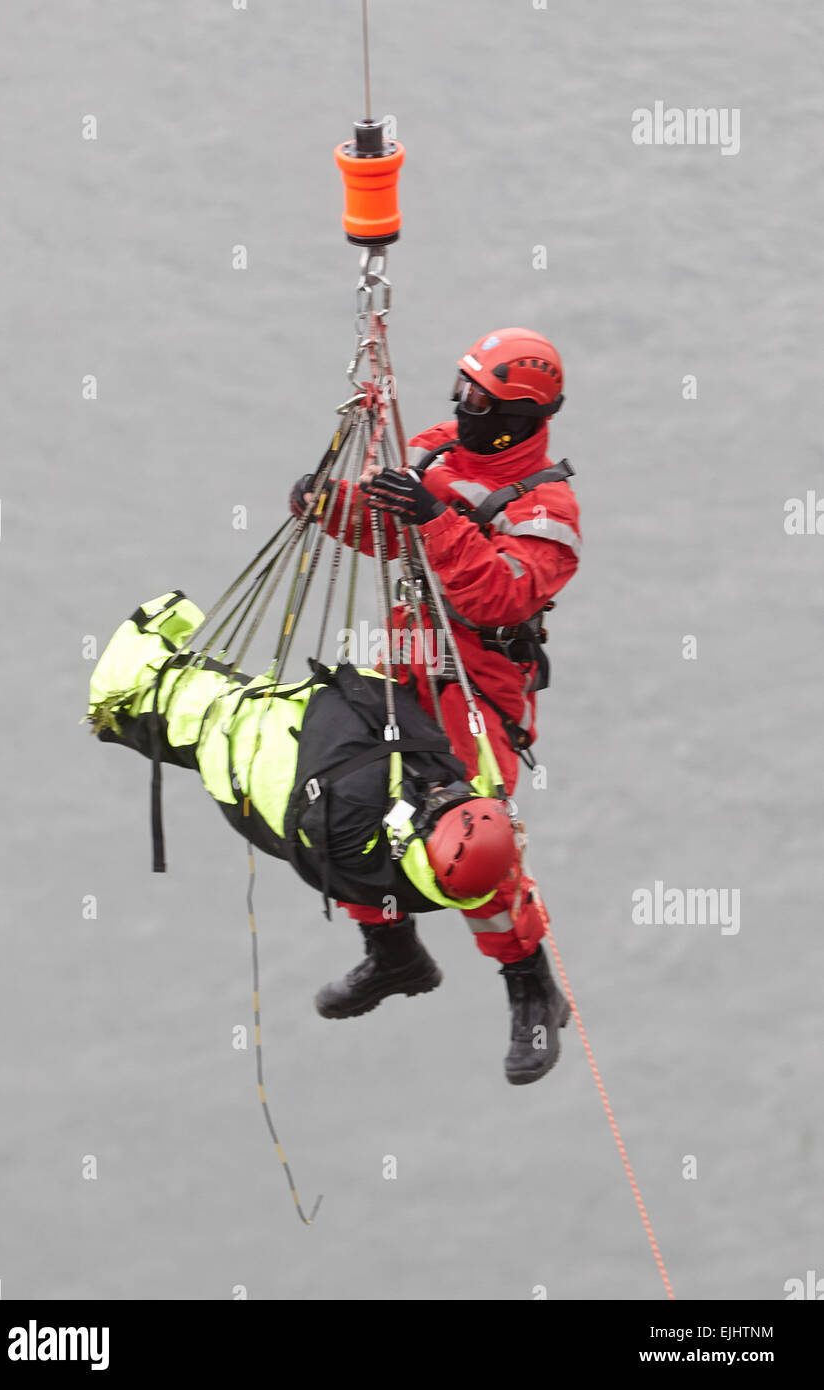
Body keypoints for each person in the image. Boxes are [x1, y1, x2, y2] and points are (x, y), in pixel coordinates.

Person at [290, 328, 581, 1084]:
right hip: (408, 665)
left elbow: (500, 593)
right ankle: (392, 955)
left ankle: (531, 987)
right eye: (461, 387)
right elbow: (388, 533)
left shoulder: (548, 508)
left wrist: (434, 517)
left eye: (479, 399)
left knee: (473, 842)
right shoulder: (433, 452)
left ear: (519, 415)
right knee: (345, 797)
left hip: (478, 689)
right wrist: (332, 507)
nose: (462, 405)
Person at [87, 591, 519, 981]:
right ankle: (402, 958)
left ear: (423, 833)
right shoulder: (435, 869)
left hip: (254, 761)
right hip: (258, 794)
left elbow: (342, 695)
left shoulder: (367, 809)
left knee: (196, 712)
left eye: (442, 801)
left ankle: (421, 961)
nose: (446, 791)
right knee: (201, 716)